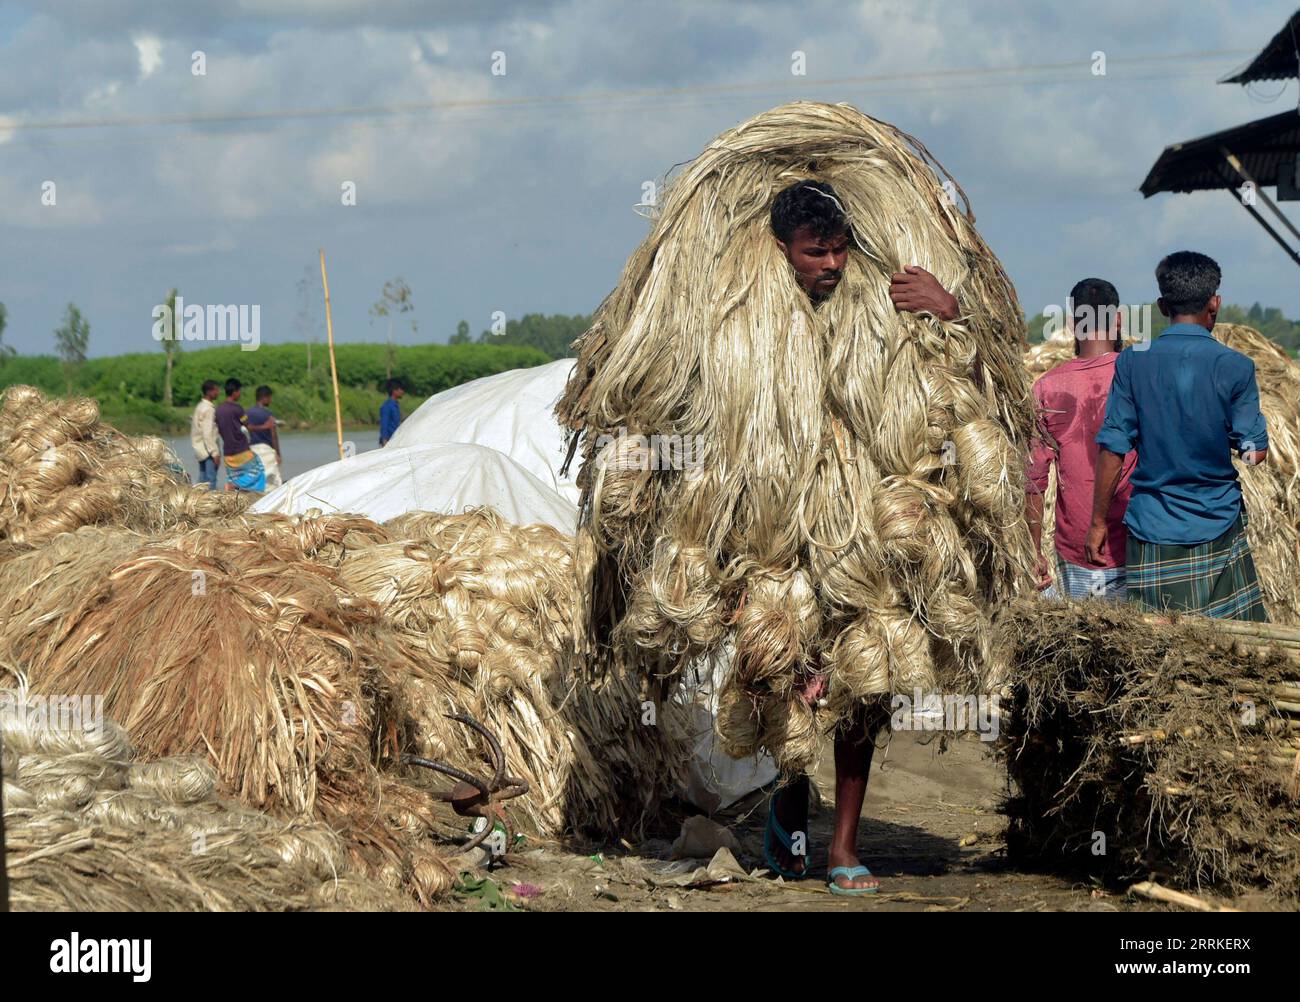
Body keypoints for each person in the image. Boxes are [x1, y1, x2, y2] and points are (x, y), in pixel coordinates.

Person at [766, 180, 960, 895]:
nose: (832, 265)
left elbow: (968, 379)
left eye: (841, 251)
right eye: (816, 252)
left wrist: (950, 311)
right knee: (790, 673)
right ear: (782, 250)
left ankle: (842, 843)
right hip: (781, 521)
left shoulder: (877, 308)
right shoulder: (749, 321)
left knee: (864, 679)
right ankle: (789, 800)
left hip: (864, 521)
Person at [1088, 251, 1269, 621]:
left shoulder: (1132, 361)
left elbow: (1113, 447)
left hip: (1152, 527)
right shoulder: (1236, 367)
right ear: (1214, 303)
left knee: (1156, 650)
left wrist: (1098, 522)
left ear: (1161, 305)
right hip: (1217, 525)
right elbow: (1255, 454)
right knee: (1229, 650)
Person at [1026, 279, 1135, 600]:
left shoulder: (1047, 388)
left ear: (1073, 325)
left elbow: (1033, 481)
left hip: (1077, 551)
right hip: (1139, 550)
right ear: (1118, 320)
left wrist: (1033, 551)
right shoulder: (1141, 376)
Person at [215, 378, 266, 492]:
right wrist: (265, 426)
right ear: (234, 392)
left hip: (228, 452)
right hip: (241, 450)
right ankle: (233, 486)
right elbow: (249, 426)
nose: (240, 394)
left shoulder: (218, 409)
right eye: (239, 391)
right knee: (258, 471)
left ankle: (233, 489)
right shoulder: (238, 409)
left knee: (234, 476)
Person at [245, 385, 283, 489]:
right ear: (264, 397)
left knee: (256, 480)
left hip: (252, 450)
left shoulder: (247, 413)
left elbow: (244, 429)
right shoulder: (268, 414)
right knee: (272, 482)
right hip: (267, 450)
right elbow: (273, 436)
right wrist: (278, 454)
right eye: (270, 397)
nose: (270, 400)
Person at [189, 379, 221, 489]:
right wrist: (215, 452)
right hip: (208, 451)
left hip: (200, 448)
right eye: (216, 390)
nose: (218, 393)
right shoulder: (208, 409)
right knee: (210, 480)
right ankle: (210, 504)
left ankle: (197, 502)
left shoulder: (200, 406)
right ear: (209, 392)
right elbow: (207, 433)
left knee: (202, 480)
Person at [379, 378, 405, 446]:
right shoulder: (387, 406)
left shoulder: (396, 405)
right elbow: (384, 425)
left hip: (396, 440)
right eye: (401, 389)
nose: (403, 391)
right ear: (394, 391)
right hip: (389, 442)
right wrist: (384, 443)